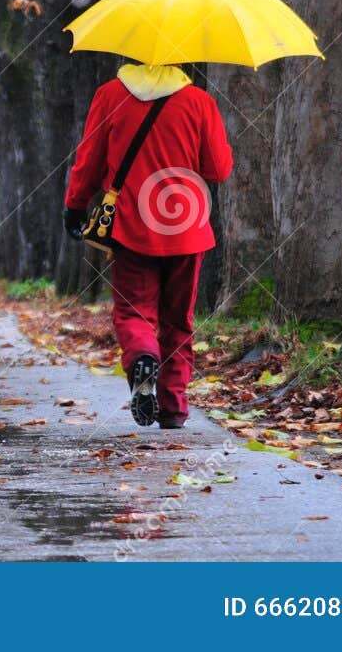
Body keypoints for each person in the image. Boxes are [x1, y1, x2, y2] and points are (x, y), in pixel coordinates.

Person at [63, 63, 232, 429]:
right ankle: (173, 408)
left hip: (131, 223)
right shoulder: (199, 101)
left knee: (133, 311)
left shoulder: (110, 95)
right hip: (184, 224)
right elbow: (218, 170)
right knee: (178, 320)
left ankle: (142, 356)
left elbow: (89, 159)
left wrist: (75, 204)